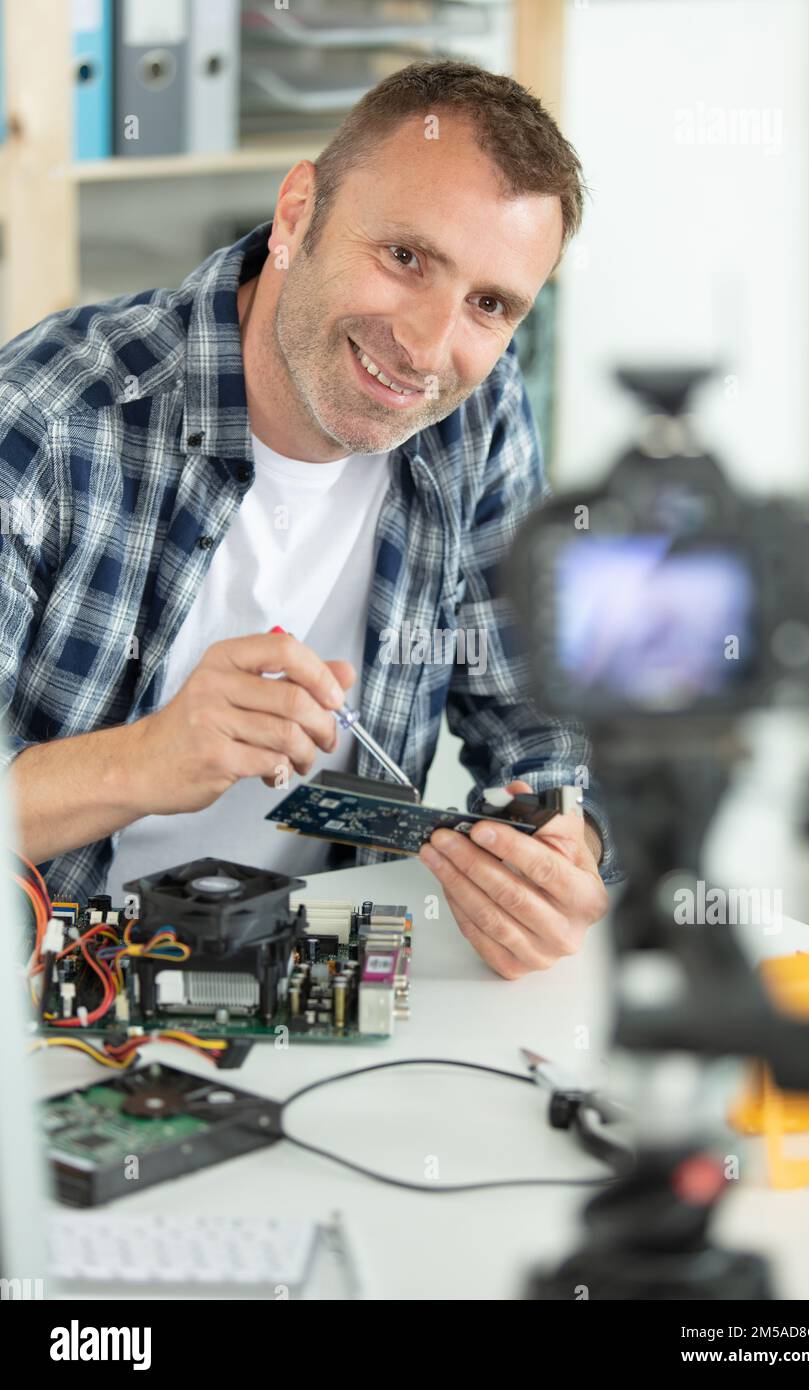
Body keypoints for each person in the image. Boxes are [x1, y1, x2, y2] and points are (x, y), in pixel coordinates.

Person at [0, 61, 613, 980]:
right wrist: (146, 760)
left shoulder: (476, 416)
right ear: (297, 216)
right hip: (49, 996)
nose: (427, 347)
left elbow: (532, 717)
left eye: (489, 305)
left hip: (324, 981)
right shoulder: (47, 417)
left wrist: (565, 854)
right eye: (405, 258)